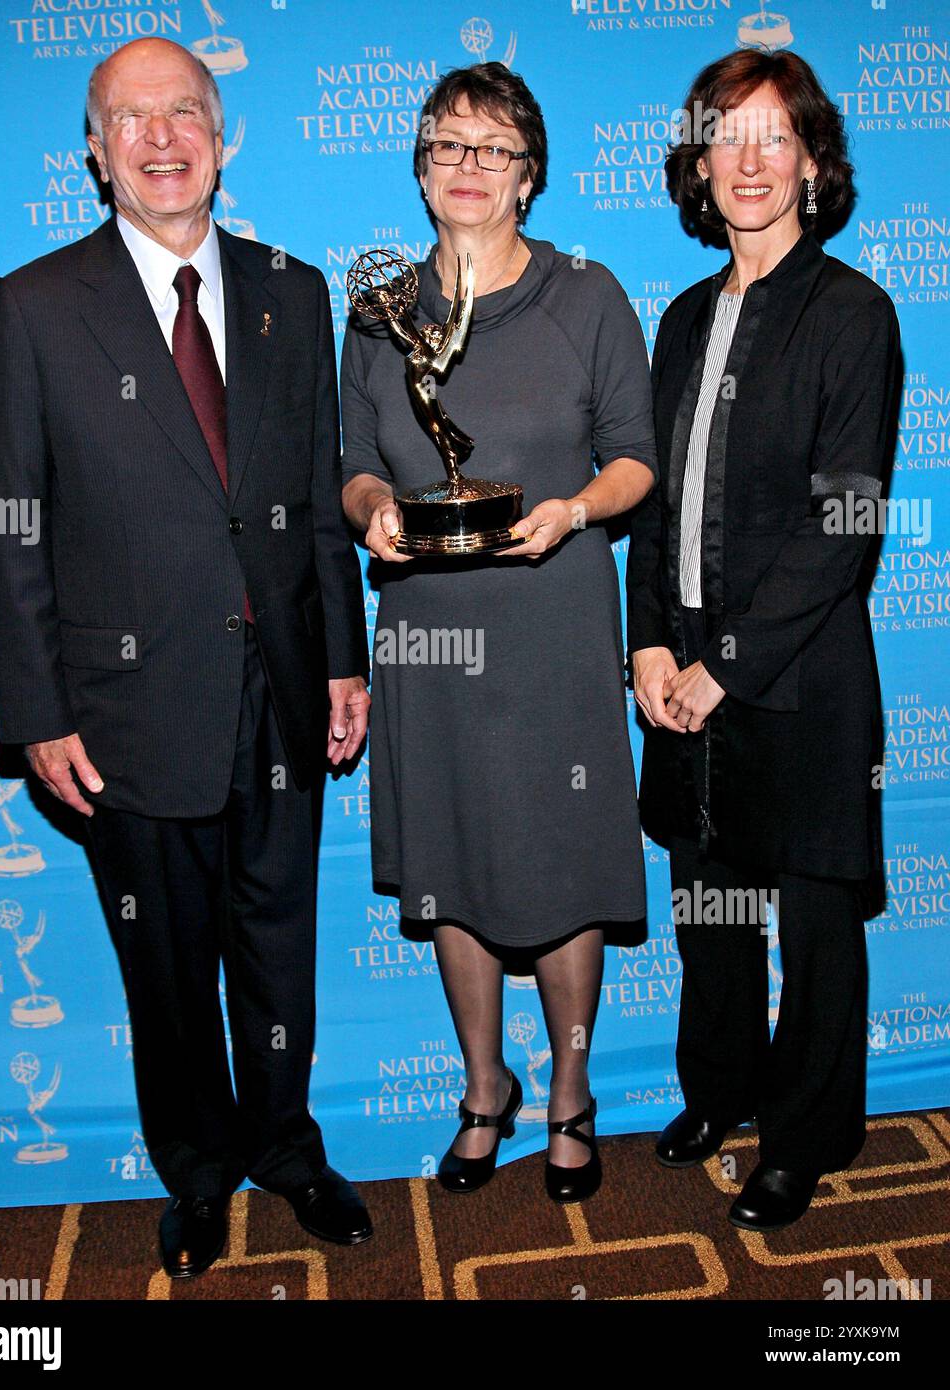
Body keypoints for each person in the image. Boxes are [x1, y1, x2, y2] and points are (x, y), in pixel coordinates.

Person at [0, 37, 373, 1278]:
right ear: (94, 151)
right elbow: (10, 527)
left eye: (184, 112)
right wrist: (35, 710)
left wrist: (344, 663)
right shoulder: (34, 307)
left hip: (283, 693)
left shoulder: (290, 292)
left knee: (277, 945)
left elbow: (316, 502)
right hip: (124, 705)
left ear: (223, 135)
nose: (161, 137)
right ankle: (196, 1173)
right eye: (130, 118)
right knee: (164, 959)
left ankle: (285, 1146)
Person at [341, 62, 657, 1205]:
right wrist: (373, 511)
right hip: (424, 630)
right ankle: (486, 1088)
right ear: (419, 169)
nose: (465, 168)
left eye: (491, 148)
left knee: (562, 864)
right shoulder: (379, 313)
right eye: (444, 146)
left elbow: (634, 456)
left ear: (528, 174)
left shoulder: (587, 295)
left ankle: (571, 1092)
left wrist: (574, 507)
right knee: (453, 864)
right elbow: (355, 462)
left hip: (554, 619)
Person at [626, 48, 901, 1231]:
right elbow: (646, 501)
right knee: (713, 915)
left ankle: (802, 1135)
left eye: (770, 135)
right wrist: (645, 647)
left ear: (808, 161)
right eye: (722, 135)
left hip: (795, 683)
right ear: (699, 162)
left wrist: (718, 671)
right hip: (678, 670)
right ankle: (718, 1091)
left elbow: (841, 526)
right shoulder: (683, 318)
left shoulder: (852, 314)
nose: (746, 159)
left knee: (814, 927)